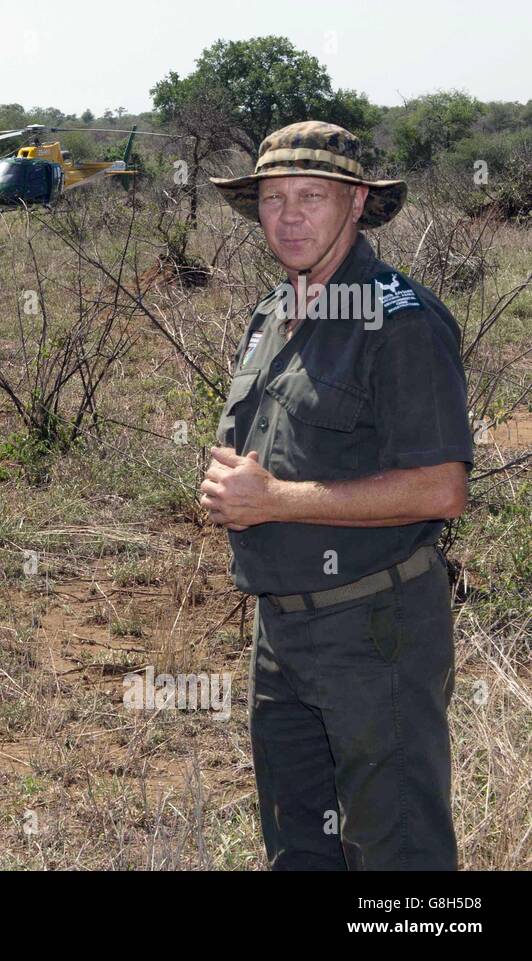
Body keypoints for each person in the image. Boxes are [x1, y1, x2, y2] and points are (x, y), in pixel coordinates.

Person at [202, 121, 472, 869]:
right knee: (299, 851)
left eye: (311, 197)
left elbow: (442, 487)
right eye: (273, 198)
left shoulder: (401, 318)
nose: (288, 217)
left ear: (356, 203)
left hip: (374, 630)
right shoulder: (270, 313)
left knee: (398, 855)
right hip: (280, 633)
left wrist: (276, 499)